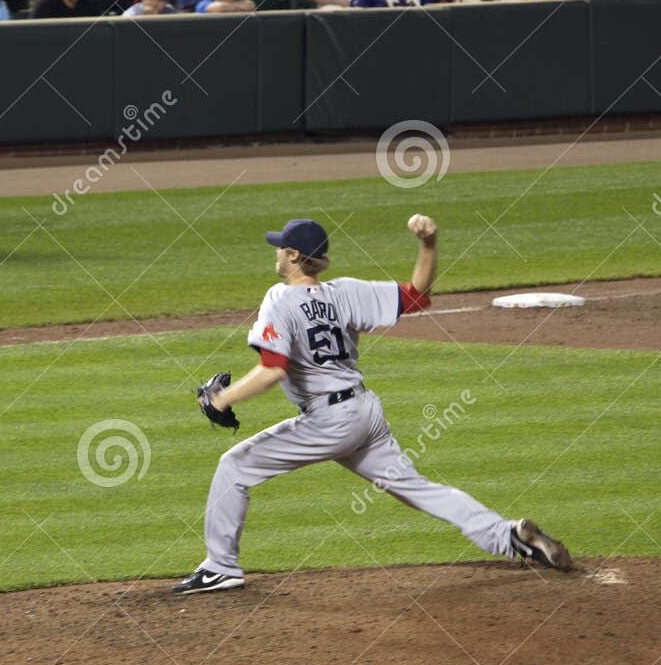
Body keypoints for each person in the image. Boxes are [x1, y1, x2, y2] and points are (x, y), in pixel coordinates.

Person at [176, 214, 573, 594]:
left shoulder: (278, 299)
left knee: (235, 466)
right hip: (365, 413)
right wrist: (429, 243)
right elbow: (416, 295)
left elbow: (273, 368)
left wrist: (221, 399)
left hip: (329, 422)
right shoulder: (345, 292)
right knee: (414, 487)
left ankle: (220, 567)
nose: (276, 252)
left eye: (282, 247)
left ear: (294, 256)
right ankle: (506, 534)